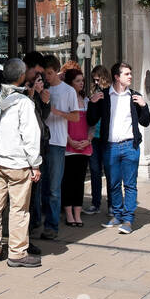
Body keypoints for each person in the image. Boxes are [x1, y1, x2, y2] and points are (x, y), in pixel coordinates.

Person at [0, 58, 43, 267]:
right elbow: (30, 136)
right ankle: (17, 252)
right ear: (20, 77)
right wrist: (35, 164)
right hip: (18, 163)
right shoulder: (24, 103)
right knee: (19, 209)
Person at [87, 61, 150, 235]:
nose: (130, 76)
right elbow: (91, 120)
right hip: (110, 147)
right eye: (126, 74)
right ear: (117, 77)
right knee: (113, 184)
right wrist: (92, 104)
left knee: (130, 184)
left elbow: (145, 121)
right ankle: (116, 214)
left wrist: (144, 106)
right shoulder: (104, 96)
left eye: (130, 73)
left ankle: (128, 219)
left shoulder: (135, 96)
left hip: (130, 146)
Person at [39, 53, 79, 239]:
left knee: (54, 188)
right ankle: (38, 222)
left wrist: (55, 111)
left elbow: (76, 117)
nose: (46, 77)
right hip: (41, 142)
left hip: (57, 142)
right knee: (41, 186)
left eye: (49, 73)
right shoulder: (41, 89)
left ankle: (52, 226)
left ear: (56, 71)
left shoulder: (68, 91)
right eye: (44, 73)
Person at [22, 51, 51, 232]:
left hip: (36, 149)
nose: (38, 77)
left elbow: (40, 118)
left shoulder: (35, 92)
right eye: (37, 73)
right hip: (23, 153)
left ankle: (31, 227)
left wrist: (43, 101)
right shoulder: (20, 89)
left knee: (33, 195)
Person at [62, 69, 92, 227]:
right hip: (69, 146)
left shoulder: (86, 100)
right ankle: (68, 214)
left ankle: (77, 213)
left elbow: (92, 124)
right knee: (68, 181)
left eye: (82, 80)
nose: (81, 83)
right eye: (77, 81)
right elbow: (62, 124)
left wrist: (88, 140)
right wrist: (70, 140)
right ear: (70, 83)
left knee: (79, 181)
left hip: (84, 146)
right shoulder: (66, 100)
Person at [84, 64, 111, 216]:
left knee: (109, 171)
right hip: (94, 137)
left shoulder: (111, 94)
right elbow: (90, 118)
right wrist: (92, 102)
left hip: (107, 138)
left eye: (98, 80)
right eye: (94, 80)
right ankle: (95, 203)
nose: (96, 83)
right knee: (95, 171)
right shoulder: (93, 94)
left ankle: (112, 204)